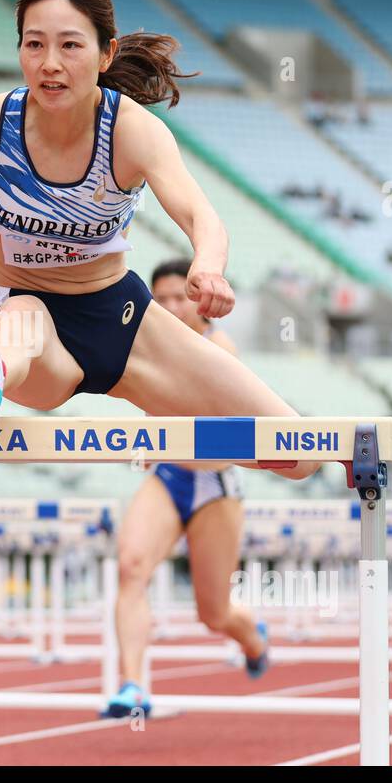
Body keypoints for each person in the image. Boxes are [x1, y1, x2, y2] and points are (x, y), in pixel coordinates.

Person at [0, 0, 318, 484]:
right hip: (33, 317)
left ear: (106, 53)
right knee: (21, 324)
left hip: (124, 319)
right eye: (34, 45)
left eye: (70, 46)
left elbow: (201, 215)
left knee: (297, 454)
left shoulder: (132, 132)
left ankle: (199, 460)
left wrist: (209, 267)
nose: (50, 65)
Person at [104, 260, 267, 718]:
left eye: (181, 297)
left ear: (199, 302)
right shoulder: (147, 346)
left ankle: (253, 638)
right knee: (131, 567)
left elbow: (227, 435)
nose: (172, 307)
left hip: (214, 483)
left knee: (213, 614)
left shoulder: (221, 349)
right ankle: (133, 684)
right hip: (169, 476)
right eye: (163, 299)